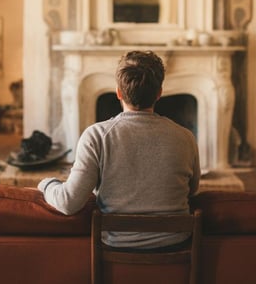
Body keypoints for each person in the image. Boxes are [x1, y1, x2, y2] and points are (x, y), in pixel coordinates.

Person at [38, 50, 200, 250]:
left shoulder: (96, 136)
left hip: (118, 248)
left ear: (119, 93)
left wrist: (45, 184)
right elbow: (192, 190)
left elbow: (68, 203)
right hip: (176, 246)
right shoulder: (186, 137)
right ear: (159, 93)